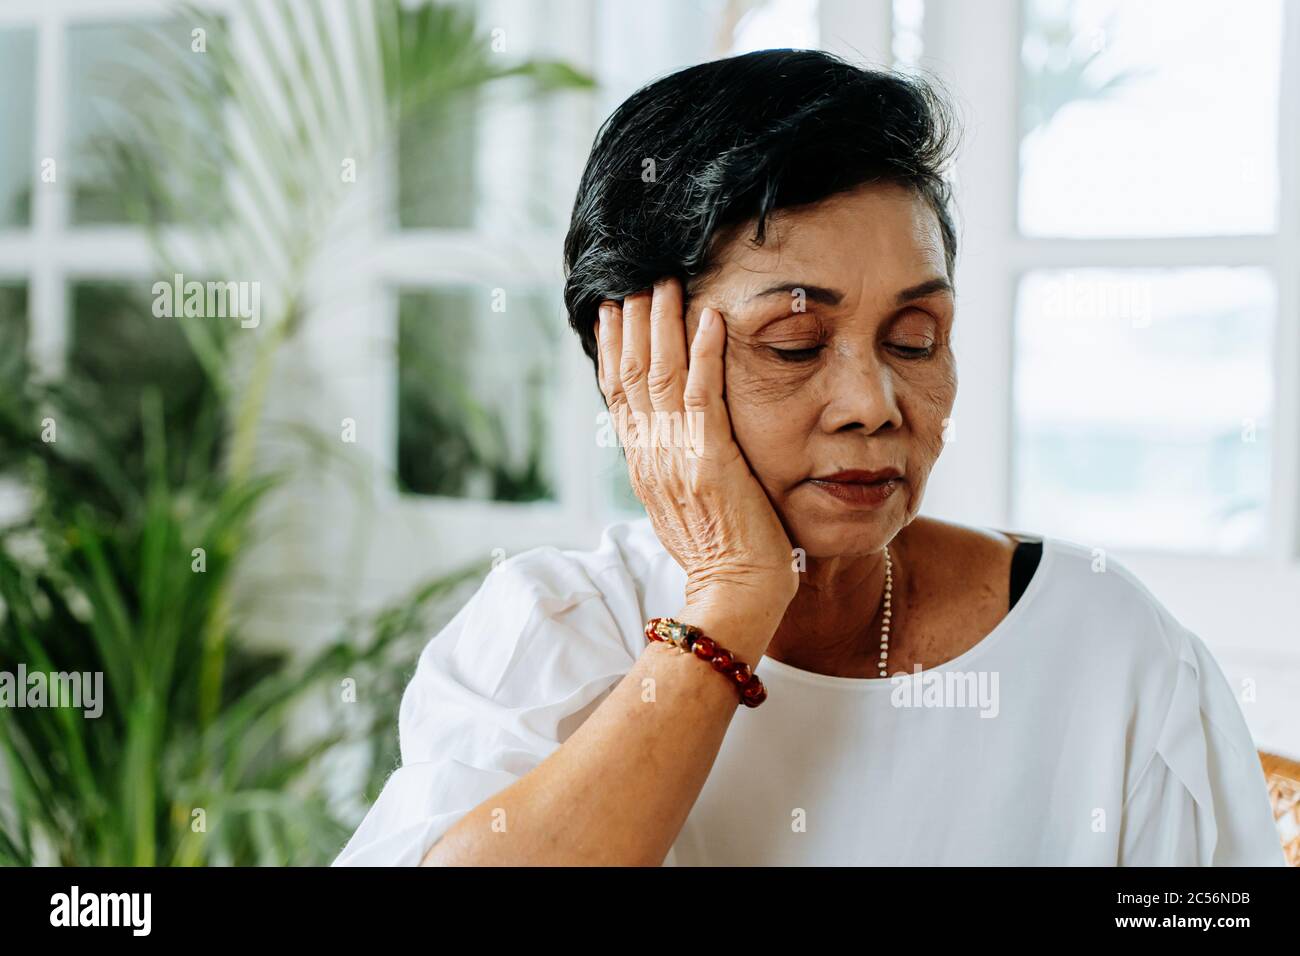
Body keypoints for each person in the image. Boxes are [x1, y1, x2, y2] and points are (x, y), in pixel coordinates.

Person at [335, 49, 1283, 866]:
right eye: (793, 344)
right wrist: (734, 597)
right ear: (636, 361)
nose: (874, 405)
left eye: (914, 337)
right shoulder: (555, 637)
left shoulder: (1111, 649)